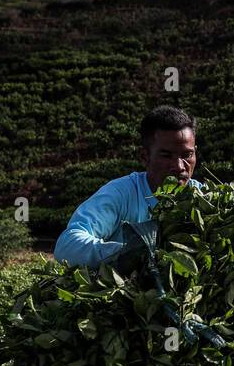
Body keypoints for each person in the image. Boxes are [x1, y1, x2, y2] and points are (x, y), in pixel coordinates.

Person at [54, 105, 205, 268]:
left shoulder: (204, 199)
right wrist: (126, 253)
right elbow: (67, 245)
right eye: (166, 155)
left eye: (187, 155)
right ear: (144, 156)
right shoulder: (121, 194)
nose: (179, 166)